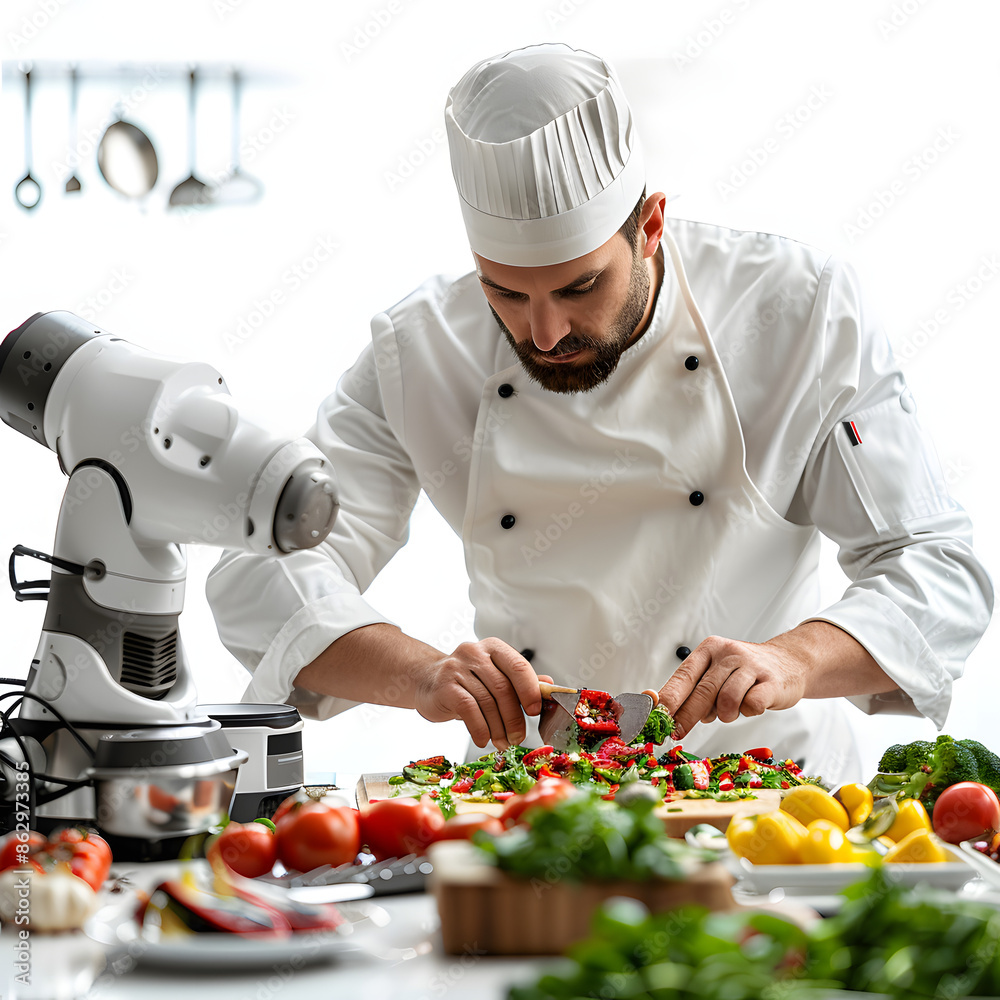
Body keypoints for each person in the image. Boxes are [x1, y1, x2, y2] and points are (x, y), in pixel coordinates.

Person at [207, 43, 992, 783]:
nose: (544, 333)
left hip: (772, 804)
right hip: (527, 802)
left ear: (650, 227)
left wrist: (795, 661)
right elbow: (261, 566)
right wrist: (423, 675)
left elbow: (935, 568)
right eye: (506, 292)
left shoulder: (797, 311)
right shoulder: (420, 349)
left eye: (579, 286)